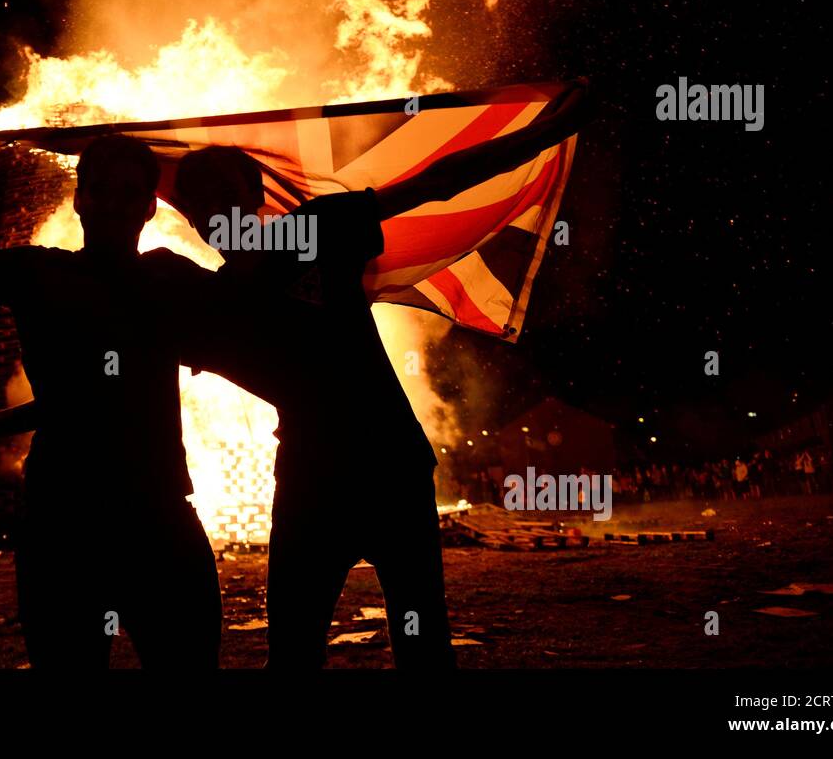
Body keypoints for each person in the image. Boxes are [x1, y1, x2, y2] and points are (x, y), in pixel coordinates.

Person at [171, 81, 589, 669]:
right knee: (292, 651)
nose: (218, 210)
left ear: (256, 196)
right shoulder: (213, 307)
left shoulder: (316, 227)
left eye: (228, 194)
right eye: (203, 202)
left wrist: (542, 134)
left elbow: (434, 183)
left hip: (391, 466)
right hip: (311, 480)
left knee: (422, 649)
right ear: (189, 218)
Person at [0, 129, 221, 668]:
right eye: (100, 190)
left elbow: (261, 291)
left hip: (155, 520)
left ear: (147, 207)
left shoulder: (168, 278)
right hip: (66, 527)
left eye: (128, 193)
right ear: (79, 198)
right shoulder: (38, 273)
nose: (112, 205)